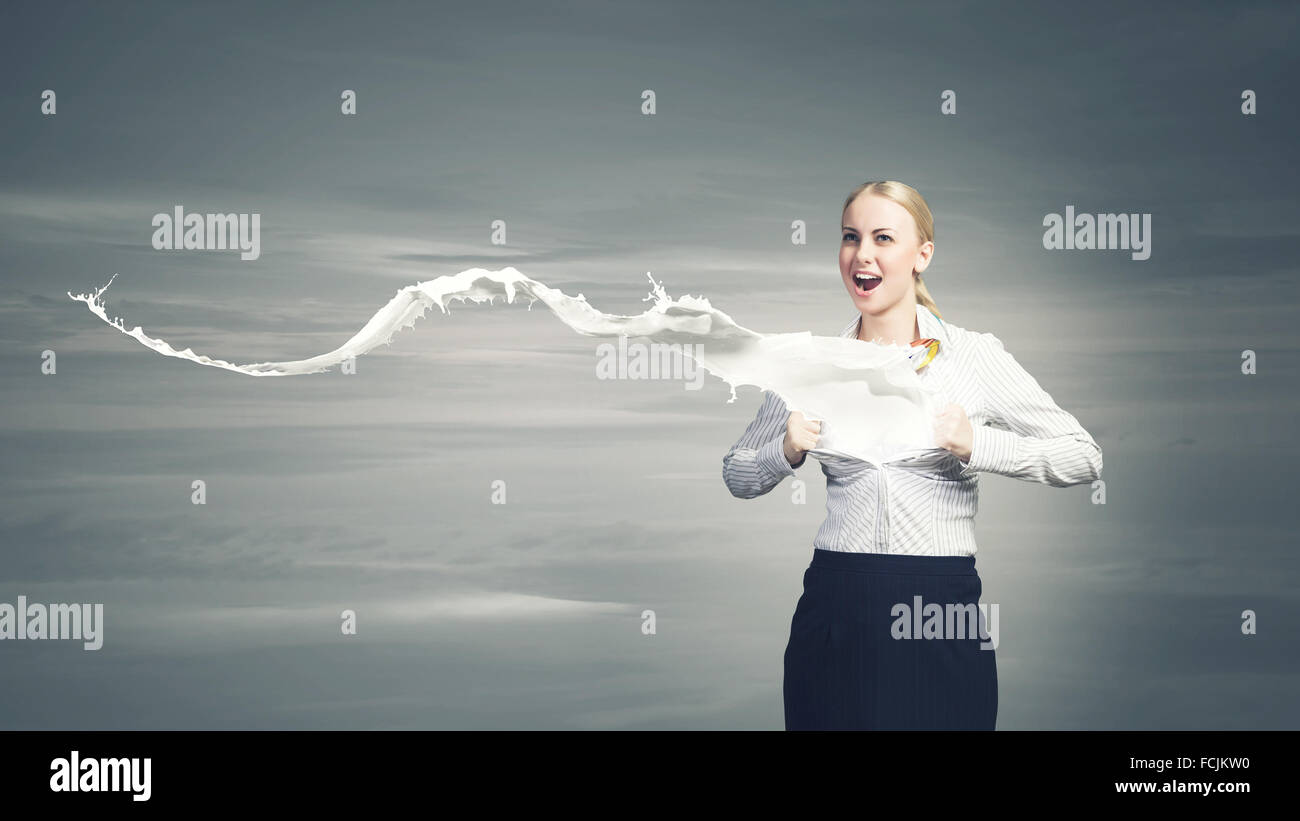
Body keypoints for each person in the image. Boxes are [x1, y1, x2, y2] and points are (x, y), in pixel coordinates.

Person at [721, 180, 1103, 730]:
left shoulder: (972, 356)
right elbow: (736, 473)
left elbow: (1083, 456)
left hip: (938, 608)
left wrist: (978, 444)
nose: (863, 254)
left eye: (883, 237)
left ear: (922, 254)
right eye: (851, 238)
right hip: (834, 604)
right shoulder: (812, 363)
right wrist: (784, 450)